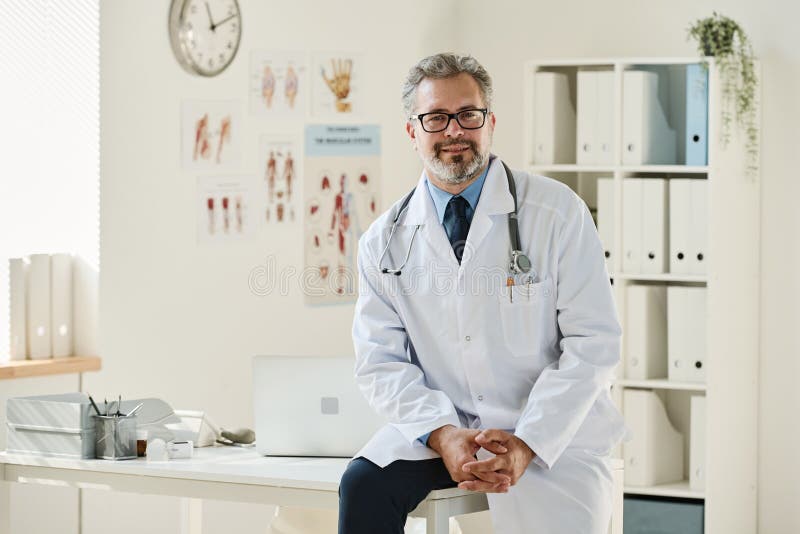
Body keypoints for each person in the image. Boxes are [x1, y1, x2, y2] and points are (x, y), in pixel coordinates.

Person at [338, 53, 628, 534]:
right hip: (447, 429)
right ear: (413, 131)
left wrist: (528, 440)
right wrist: (444, 434)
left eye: (468, 115)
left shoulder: (556, 213)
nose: (454, 130)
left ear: (489, 122)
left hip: (548, 436)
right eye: (436, 118)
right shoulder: (384, 239)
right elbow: (380, 361)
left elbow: (595, 343)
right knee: (365, 484)